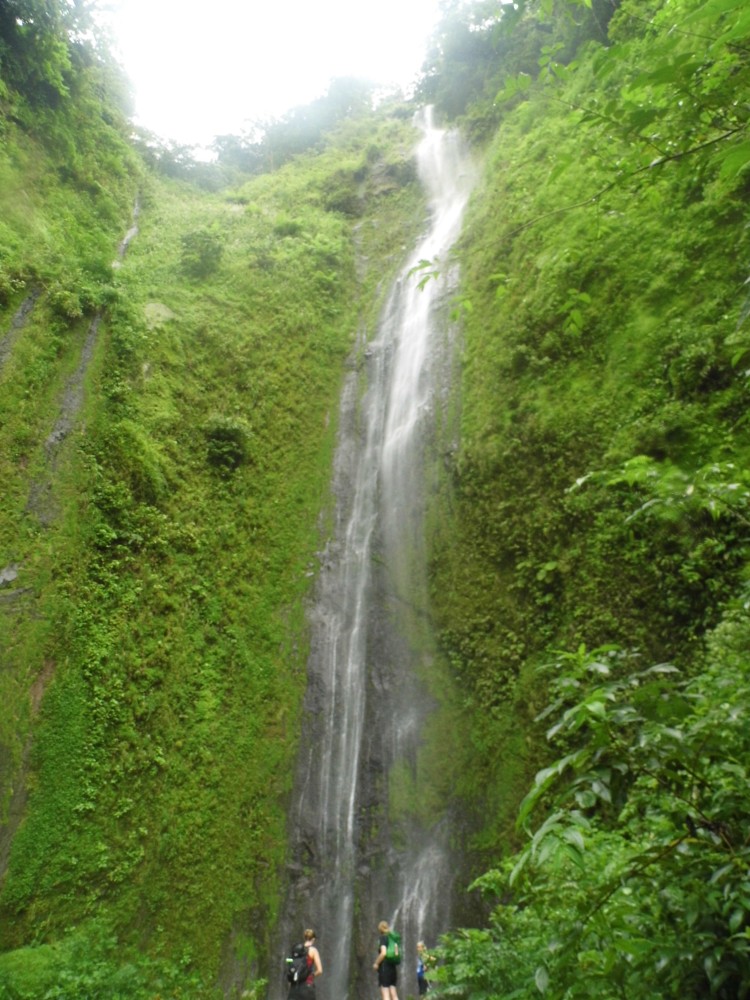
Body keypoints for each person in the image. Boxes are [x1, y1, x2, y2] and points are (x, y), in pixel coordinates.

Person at [288, 928, 322, 1000]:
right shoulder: (313, 951)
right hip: (307, 986)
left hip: (294, 987)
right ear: (313, 939)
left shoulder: (297, 950)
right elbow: (320, 970)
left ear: (305, 938)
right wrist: (312, 975)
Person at [373, 920, 399, 1000]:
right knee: (394, 994)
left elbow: (383, 953)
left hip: (385, 968)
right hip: (393, 968)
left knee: (385, 995)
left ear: (380, 929)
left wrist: (376, 963)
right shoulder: (393, 939)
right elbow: (397, 953)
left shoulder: (383, 938)